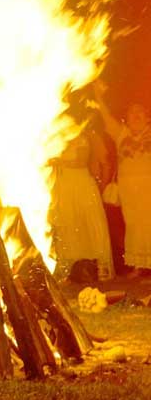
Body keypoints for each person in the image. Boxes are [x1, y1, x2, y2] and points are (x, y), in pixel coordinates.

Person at [94, 82, 151, 277]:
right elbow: (106, 116)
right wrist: (99, 96)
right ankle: (139, 265)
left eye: (140, 112)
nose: (136, 116)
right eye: (132, 113)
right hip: (129, 189)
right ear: (126, 118)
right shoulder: (121, 134)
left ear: (147, 116)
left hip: (148, 187)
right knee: (134, 226)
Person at [50, 131, 115, 280]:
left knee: (91, 223)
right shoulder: (56, 136)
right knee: (68, 224)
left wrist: (57, 161)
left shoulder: (82, 139)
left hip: (81, 184)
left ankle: (101, 268)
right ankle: (69, 270)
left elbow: (80, 161)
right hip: (63, 185)